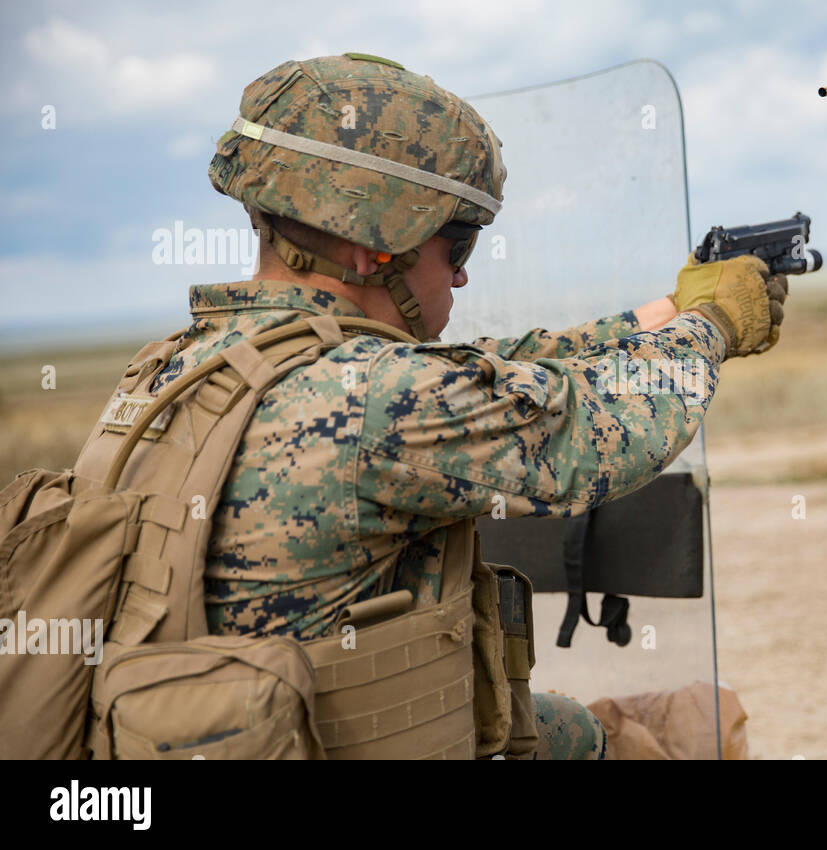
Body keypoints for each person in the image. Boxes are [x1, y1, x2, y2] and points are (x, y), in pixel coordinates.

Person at [145, 53, 786, 759]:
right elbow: (609, 430)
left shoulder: (184, 368)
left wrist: (661, 314)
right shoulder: (376, 400)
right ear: (372, 247)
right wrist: (716, 326)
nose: (461, 271)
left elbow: (482, 374)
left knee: (589, 730)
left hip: (247, 730)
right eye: (455, 242)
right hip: (350, 738)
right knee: (679, 730)